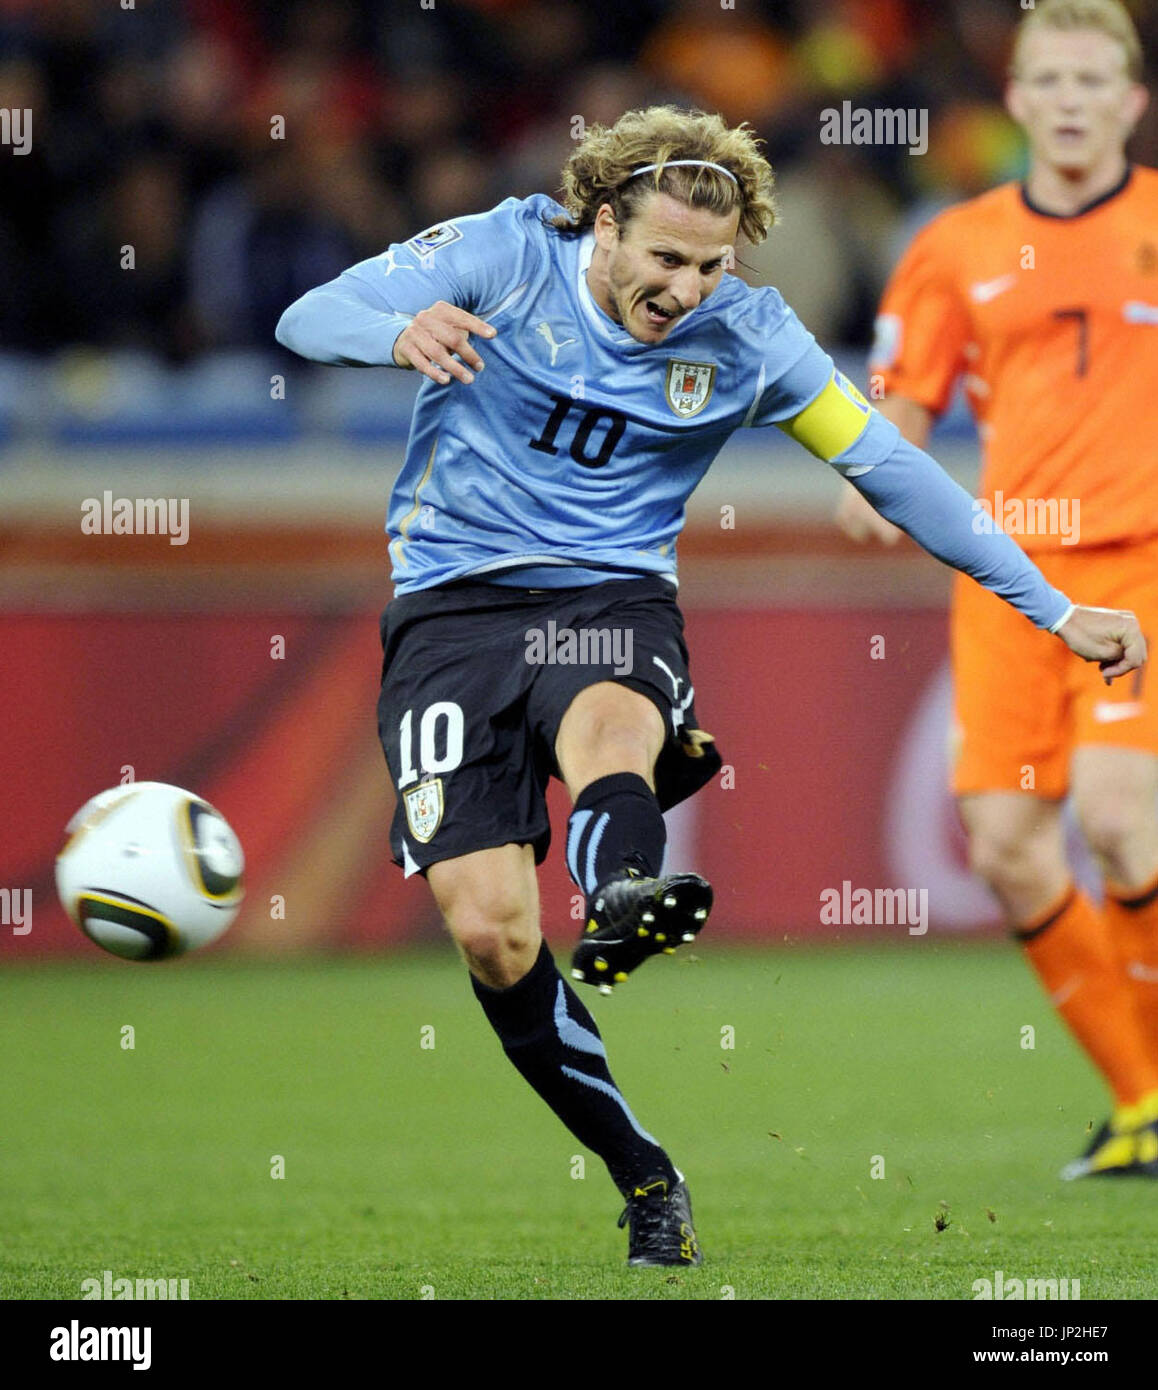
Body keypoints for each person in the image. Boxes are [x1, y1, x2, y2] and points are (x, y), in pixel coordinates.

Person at [277, 103, 1143, 1267]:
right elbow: (306, 313)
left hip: (610, 600)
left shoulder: (750, 334)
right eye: (666, 259)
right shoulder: (503, 252)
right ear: (602, 224)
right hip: (451, 609)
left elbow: (890, 466)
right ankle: (645, 1172)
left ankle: (627, 887)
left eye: (710, 265)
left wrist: (1051, 604)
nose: (686, 288)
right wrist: (395, 333)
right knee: (489, 931)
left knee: (608, 722)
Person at [836, 0, 1158, 1178]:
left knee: (1120, 822)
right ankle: (1144, 1099)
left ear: (1130, 102)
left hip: (1142, 563)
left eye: (1094, 80)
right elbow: (900, 401)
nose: (1071, 100)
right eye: (1049, 80)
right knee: (1008, 843)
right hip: (1014, 579)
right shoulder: (955, 243)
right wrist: (874, 474)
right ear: (1015, 100)